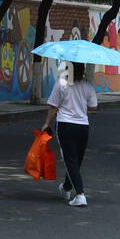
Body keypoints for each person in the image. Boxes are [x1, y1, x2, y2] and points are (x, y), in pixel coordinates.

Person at [42, 62, 97, 207]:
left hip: (65, 126)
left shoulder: (61, 82)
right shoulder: (88, 86)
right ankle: (66, 187)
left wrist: (47, 123)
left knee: (70, 160)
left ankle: (80, 195)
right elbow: (93, 107)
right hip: (83, 127)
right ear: (83, 70)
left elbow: (53, 106)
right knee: (76, 160)